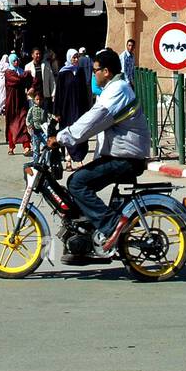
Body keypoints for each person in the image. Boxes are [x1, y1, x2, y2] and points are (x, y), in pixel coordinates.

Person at [46, 48, 151, 253]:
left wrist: (61, 138)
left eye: (96, 70)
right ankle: (88, 230)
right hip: (122, 154)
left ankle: (112, 224)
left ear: (107, 71)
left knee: (76, 182)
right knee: (81, 183)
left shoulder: (117, 90)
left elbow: (92, 121)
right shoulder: (114, 89)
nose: (93, 74)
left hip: (127, 157)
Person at [53, 49, 90, 169]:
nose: (76, 60)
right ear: (69, 58)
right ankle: (68, 159)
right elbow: (58, 94)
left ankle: (78, 159)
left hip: (79, 108)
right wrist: (57, 112)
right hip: (66, 109)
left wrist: (87, 108)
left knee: (79, 131)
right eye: (74, 57)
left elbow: (84, 92)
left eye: (77, 57)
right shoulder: (63, 73)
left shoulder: (80, 72)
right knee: (67, 132)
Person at [3, 52, 31, 156]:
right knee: (12, 124)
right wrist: (25, 75)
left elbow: (28, 80)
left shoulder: (21, 71)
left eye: (16, 60)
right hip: (11, 102)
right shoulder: (8, 72)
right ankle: (11, 146)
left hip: (21, 101)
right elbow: (16, 80)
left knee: (23, 123)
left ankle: (27, 146)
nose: (16, 62)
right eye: (14, 60)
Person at [26, 86, 49, 164]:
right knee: (36, 148)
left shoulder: (44, 109)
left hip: (43, 131)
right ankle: (35, 163)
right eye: (37, 99)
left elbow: (49, 115)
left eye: (40, 99)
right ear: (34, 100)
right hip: (35, 132)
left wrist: (54, 118)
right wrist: (29, 125)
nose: (38, 101)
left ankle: (46, 163)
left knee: (47, 146)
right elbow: (27, 119)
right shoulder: (32, 109)